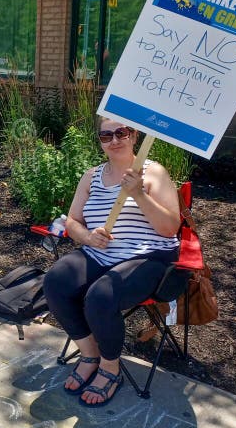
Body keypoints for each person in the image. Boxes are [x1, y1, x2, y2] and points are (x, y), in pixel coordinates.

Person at [43, 118, 180, 407]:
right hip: (101, 253)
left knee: (101, 296)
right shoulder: (91, 176)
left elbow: (170, 227)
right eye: (106, 135)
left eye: (121, 133)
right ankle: (89, 353)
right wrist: (88, 237)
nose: (114, 140)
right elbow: (72, 221)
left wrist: (139, 193)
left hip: (148, 259)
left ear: (134, 135)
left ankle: (110, 368)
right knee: (55, 281)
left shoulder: (153, 172)